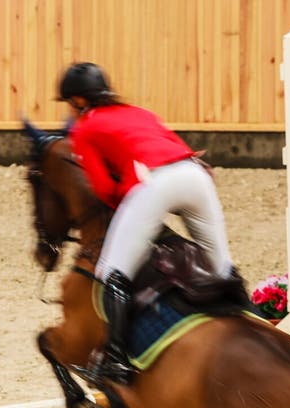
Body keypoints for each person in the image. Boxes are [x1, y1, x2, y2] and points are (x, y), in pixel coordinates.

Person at [58, 61, 236, 384]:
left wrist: (129, 210)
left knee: (112, 273)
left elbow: (104, 189)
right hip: (195, 176)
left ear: (79, 101)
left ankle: (116, 360)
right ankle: (252, 320)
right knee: (221, 267)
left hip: (154, 184)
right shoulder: (139, 112)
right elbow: (179, 148)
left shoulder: (83, 129)